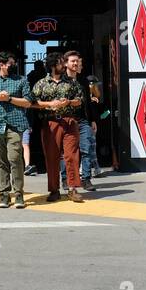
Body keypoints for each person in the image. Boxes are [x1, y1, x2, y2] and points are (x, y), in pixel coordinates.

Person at [0, 51, 34, 209]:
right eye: (10, 63)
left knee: (15, 159)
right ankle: (4, 194)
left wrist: (9, 99)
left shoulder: (21, 81)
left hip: (15, 126)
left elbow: (28, 102)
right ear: (2, 65)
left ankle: (18, 194)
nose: (13, 65)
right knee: (1, 162)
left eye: (14, 63)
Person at [33, 52, 85, 203]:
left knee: (71, 155)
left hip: (70, 122)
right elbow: (32, 103)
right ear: (53, 65)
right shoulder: (41, 83)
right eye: (61, 62)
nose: (64, 65)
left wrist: (68, 102)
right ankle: (54, 190)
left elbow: (80, 100)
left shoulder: (71, 82)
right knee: (52, 157)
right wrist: (50, 104)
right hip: (50, 123)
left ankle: (72, 189)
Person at [63, 50, 102, 191]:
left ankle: (86, 179)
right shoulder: (61, 80)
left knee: (86, 150)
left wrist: (92, 120)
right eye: (73, 61)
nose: (75, 63)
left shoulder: (83, 81)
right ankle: (65, 179)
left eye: (77, 61)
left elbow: (88, 102)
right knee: (67, 153)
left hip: (83, 121)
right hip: (67, 121)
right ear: (66, 63)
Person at [23, 59, 48, 177]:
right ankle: (43, 163)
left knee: (32, 139)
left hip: (33, 110)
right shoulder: (43, 78)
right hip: (41, 110)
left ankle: (35, 163)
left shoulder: (30, 77)